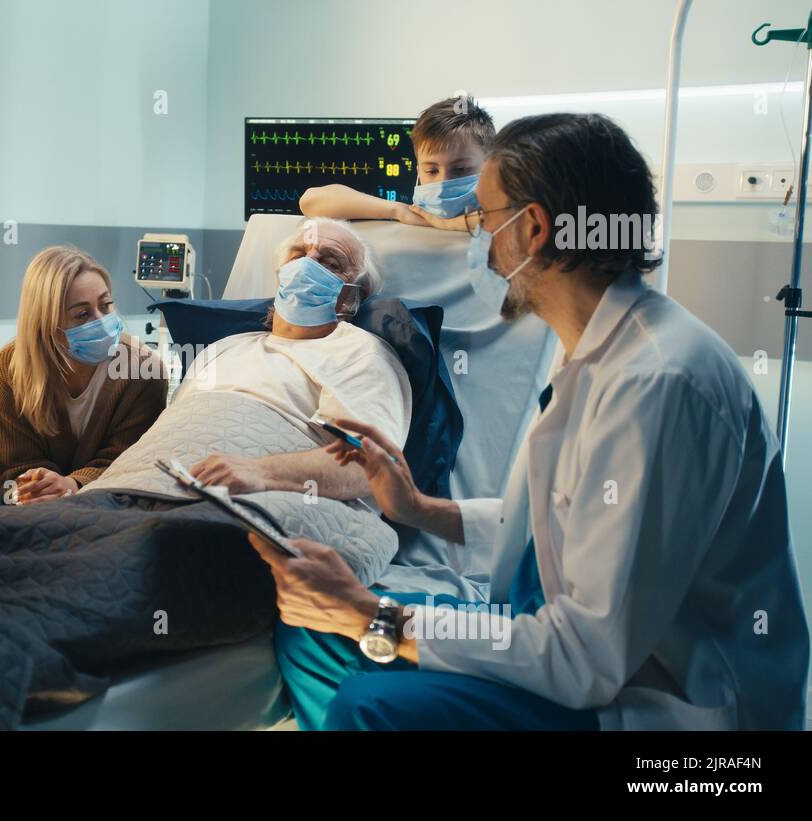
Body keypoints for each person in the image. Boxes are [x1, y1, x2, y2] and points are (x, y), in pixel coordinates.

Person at [249, 113, 810, 731]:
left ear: (534, 229)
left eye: (487, 221)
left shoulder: (658, 385)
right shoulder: (596, 347)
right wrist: (420, 509)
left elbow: (583, 659)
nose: (482, 247)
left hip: (662, 711)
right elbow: (569, 518)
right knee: (313, 635)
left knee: (368, 702)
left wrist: (373, 616)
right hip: (576, 648)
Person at [172, 217, 410, 499]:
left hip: (249, 500)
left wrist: (260, 472)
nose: (306, 266)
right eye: (298, 255)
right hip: (160, 477)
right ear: (280, 272)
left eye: (331, 264)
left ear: (355, 295)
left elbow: (369, 463)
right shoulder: (224, 348)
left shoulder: (359, 353)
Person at [0, 246, 168, 504]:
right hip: (32, 507)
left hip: (112, 504)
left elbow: (130, 463)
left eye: (106, 305)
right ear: (46, 322)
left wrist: (73, 485)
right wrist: (36, 488)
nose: (101, 321)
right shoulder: (7, 371)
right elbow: (12, 469)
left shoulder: (144, 371)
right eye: (82, 314)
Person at [299, 96, 494, 231]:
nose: (443, 182)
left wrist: (448, 225)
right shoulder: (412, 216)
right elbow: (310, 201)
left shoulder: (509, 220)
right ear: (418, 171)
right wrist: (398, 211)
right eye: (431, 170)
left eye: (460, 169)